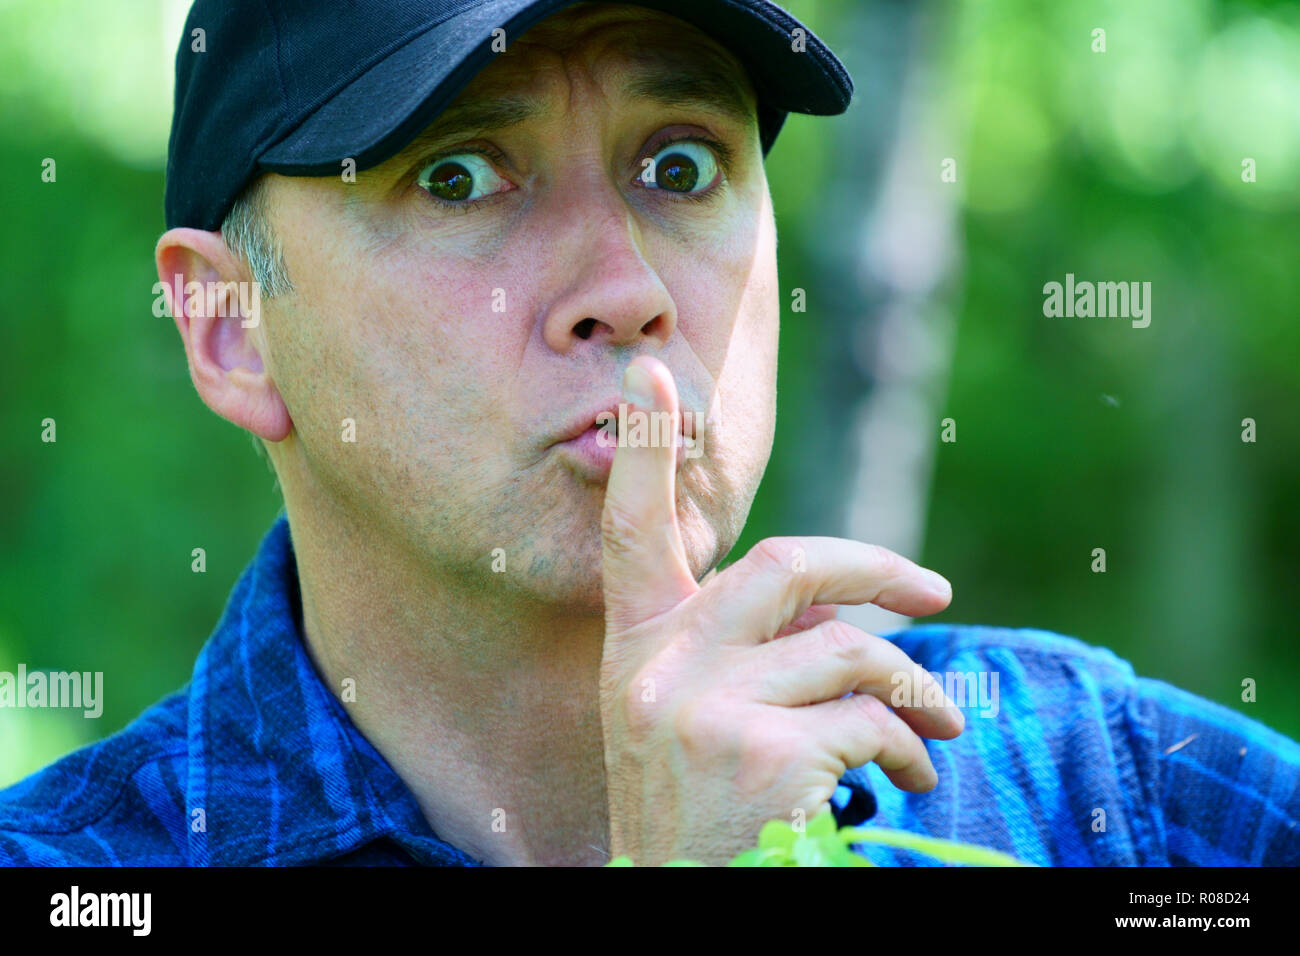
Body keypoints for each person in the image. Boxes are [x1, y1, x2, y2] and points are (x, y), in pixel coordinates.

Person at [1, 0, 1296, 867]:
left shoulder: (1097, 792)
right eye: (458, 175)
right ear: (231, 325)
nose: (627, 287)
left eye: (679, 165)